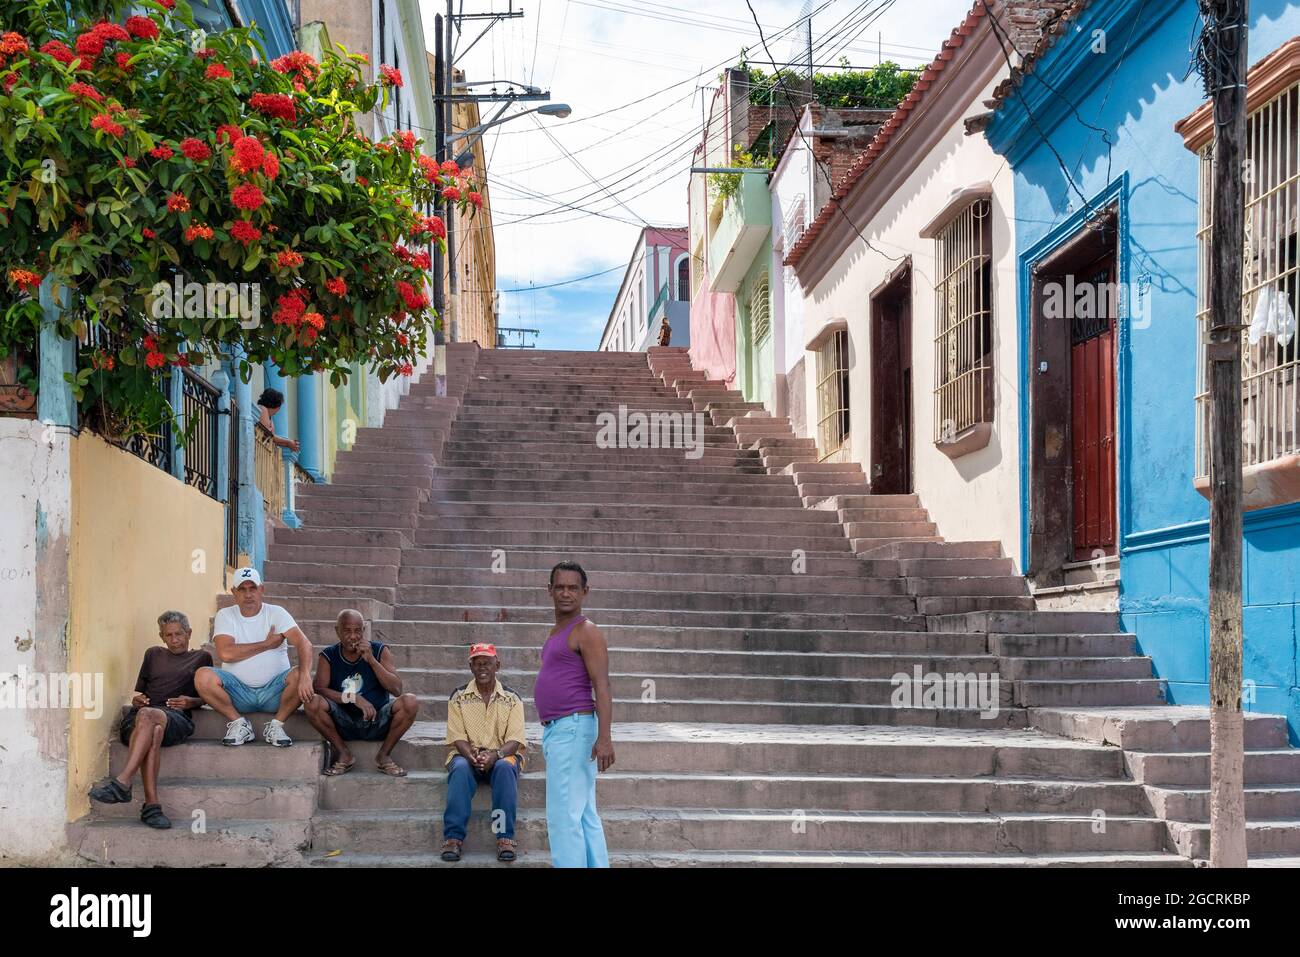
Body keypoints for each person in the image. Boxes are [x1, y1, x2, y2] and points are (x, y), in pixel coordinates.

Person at [88, 611, 212, 829]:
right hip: (143, 718)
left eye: (179, 634)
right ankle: (151, 807)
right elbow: (141, 696)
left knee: (151, 718)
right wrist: (137, 700)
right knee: (152, 727)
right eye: (169, 635)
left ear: (189, 633)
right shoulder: (153, 654)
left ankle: (123, 782)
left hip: (177, 719)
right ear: (161, 636)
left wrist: (192, 702)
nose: (175, 640)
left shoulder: (201, 657)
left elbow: (209, 696)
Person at [535, 561, 613, 868]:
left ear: (585, 592)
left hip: (573, 729)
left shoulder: (586, 631)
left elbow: (602, 685)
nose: (566, 593)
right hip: (563, 730)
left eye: (573, 588)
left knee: (563, 819)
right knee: (582, 815)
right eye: (560, 587)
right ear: (549, 591)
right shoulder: (558, 631)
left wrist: (604, 737)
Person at [194, 566, 315, 747]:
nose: (248, 594)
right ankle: (239, 724)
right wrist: (266, 644)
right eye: (242, 589)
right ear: (234, 592)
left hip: (275, 692)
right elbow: (226, 653)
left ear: (261, 589)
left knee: (300, 673)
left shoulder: (276, 613)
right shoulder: (226, 615)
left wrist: (305, 675)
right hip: (237, 693)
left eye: (253, 588)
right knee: (203, 676)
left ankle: (276, 725)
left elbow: (304, 644)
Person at [304, 609, 420, 777]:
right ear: (337, 631)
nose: (353, 636)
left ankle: (383, 755)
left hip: (378, 721)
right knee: (311, 701)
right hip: (343, 722)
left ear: (363, 631)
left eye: (357, 631)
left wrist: (371, 660)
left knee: (410, 701)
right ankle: (344, 753)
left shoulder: (379, 651)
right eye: (347, 631)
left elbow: (397, 690)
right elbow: (319, 690)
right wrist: (352, 698)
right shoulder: (328, 655)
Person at [440, 643, 527, 863]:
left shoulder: (512, 698)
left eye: (487, 663)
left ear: (497, 665)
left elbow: (515, 740)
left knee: (506, 768)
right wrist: (472, 756)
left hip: (501, 755)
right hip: (468, 755)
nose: (482, 668)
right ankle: (453, 838)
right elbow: (457, 736)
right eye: (477, 664)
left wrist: (494, 755)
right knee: (459, 768)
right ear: (471, 667)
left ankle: (504, 837)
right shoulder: (458, 696)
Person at [256, 388, 300, 452]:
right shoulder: (263, 409)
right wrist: (288, 442)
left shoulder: (269, 415)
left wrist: (289, 443)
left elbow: (273, 439)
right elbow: (268, 435)